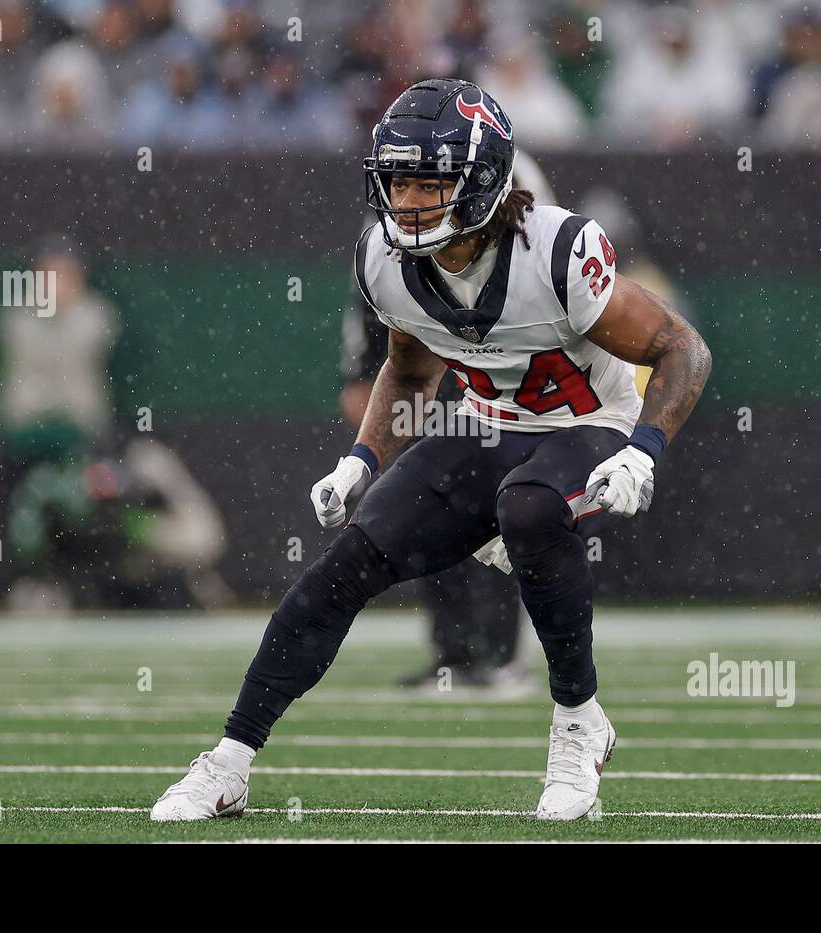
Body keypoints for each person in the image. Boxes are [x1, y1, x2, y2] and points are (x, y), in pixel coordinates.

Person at [151, 78, 711, 822]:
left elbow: (683, 347)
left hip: (590, 423)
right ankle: (228, 762)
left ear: (481, 183)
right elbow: (410, 364)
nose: (408, 200)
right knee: (344, 564)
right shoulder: (385, 261)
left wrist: (643, 449)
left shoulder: (560, 250)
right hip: (485, 425)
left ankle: (579, 723)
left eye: (429, 181)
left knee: (531, 507)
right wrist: (362, 458)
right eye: (399, 180)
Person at [341, 147, 555, 693]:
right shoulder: (396, 180)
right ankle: (453, 652)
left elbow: (540, 272)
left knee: (501, 505)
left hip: (497, 358)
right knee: (428, 503)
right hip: (423, 357)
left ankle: (502, 652)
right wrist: (361, 372)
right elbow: (375, 287)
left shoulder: (512, 173)